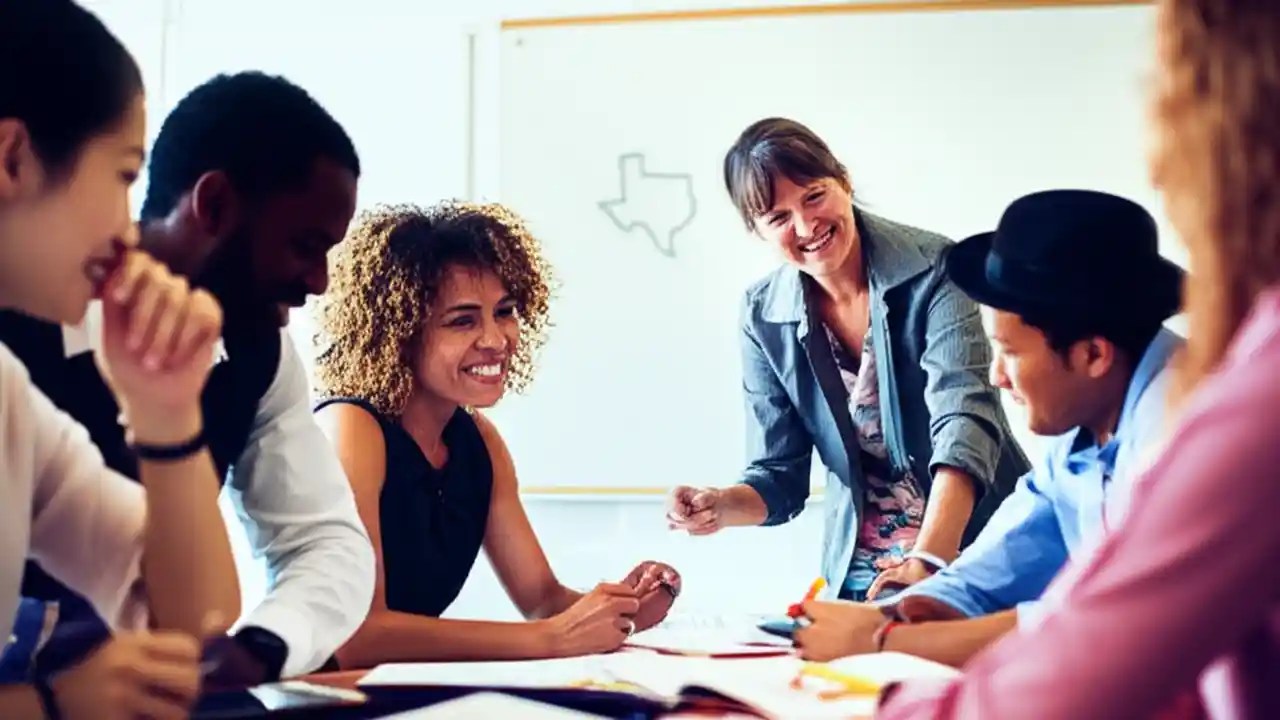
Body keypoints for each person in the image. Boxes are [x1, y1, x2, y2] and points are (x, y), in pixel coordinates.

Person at [869, 1, 1280, 717]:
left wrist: (877, 656)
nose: (1159, 163)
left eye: (1174, 111)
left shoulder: (1222, 413)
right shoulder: (1085, 435)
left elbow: (1092, 644)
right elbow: (1012, 562)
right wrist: (924, 600)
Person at [0, 71, 375, 684]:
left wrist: (257, 648)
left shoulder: (261, 357)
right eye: (305, 245)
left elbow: (311, 551)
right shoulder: (19, 332)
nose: (320, 281)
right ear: (215, 205)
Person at [793, 189, 1184, 665]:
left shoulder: (1184, 436)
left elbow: (1107, 623)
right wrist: (903, 609)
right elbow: (1023, 541)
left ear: (1093, 354)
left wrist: (881, 640)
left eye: (1011, 353)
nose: (997, 376)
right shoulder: (1092, 414)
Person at [667, 118, 1029, 601]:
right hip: (863, 575)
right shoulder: (761, 314)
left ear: (844, 181)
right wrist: (721, 505)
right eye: (778, 218)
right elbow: (779, 476)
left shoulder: (937, 266)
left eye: (814, 196)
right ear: (756, 231)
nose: (805, 225)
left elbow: (964, 420)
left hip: (974, 547)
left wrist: (928, 563)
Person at [0, 1, 240, 717]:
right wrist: (45, 705)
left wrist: (164, 413)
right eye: (124, 175)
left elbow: (197, 620)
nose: (128, 228)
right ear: (11, 159)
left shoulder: (9, 399)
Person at [313, 201, 681, 667]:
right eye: (462, 320)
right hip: (308, 694)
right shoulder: (351, 428)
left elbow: (544, 601)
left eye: (504, 312)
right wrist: (550, 638)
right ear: (399, 332)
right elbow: (355, 636)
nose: (496, 339)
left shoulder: (478, 442)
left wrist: (623, 607)